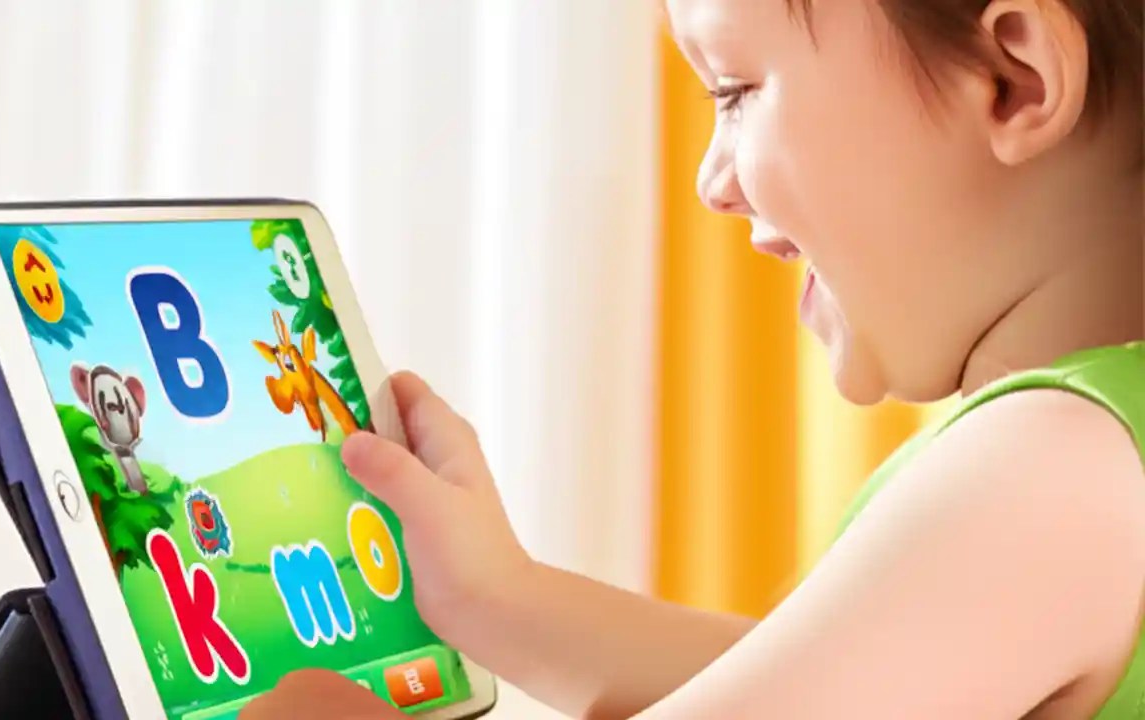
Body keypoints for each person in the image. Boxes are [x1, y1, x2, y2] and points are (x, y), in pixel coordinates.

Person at [240, 0, 1144, 717]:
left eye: (736, 89)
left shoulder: (1051, 467)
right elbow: (819, 680)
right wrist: (497, 600)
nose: (712, 181)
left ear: (1010, 80)